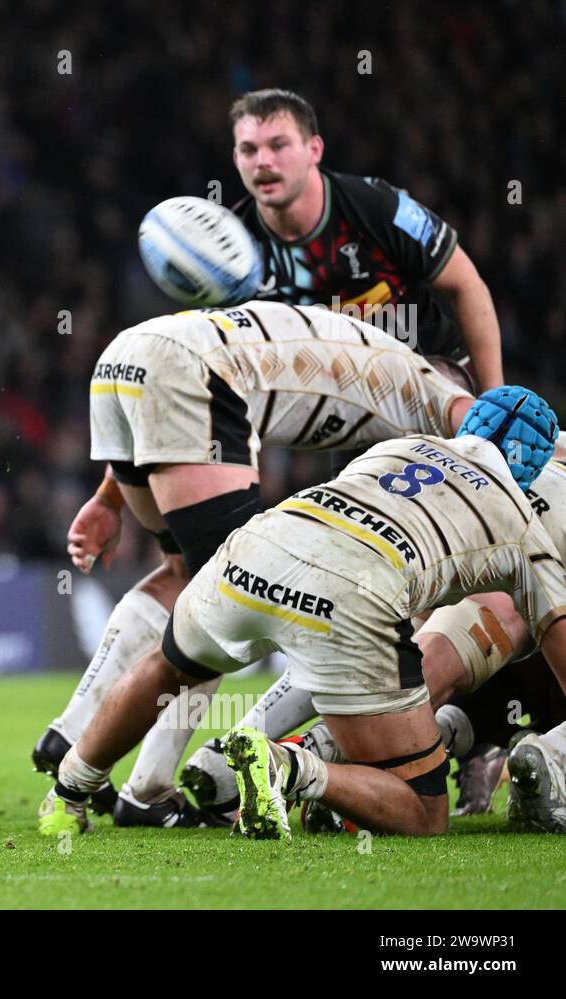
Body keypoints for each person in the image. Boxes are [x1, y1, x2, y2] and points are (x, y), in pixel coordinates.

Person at [40, 387, 566, 839]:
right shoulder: (520, 521)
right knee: (424, 810)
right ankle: (290, 767)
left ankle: (68, 794)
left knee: (169, 664)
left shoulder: (403, 445)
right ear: (532, 467)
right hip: (352, 591)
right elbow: (555, 636)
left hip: (263, 541)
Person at [31, 298, 474, 826]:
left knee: (182, 576)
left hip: (127, 359)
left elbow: (172, 357)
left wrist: (110, 496)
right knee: (222, 595)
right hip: (195, 375)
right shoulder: (443, 397)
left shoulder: (360, 349)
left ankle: (73, 728)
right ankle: (146, 791)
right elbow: (489, 442)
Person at [229, 88, 502, 392]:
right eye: (249, 150)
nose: (263, 161)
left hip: (436, 381)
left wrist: (495, 398)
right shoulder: (231, 247)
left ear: (314, 150)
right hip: (330, 410)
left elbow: (466, 285)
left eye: (279, 145)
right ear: (236, 158)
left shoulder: (378, 207)